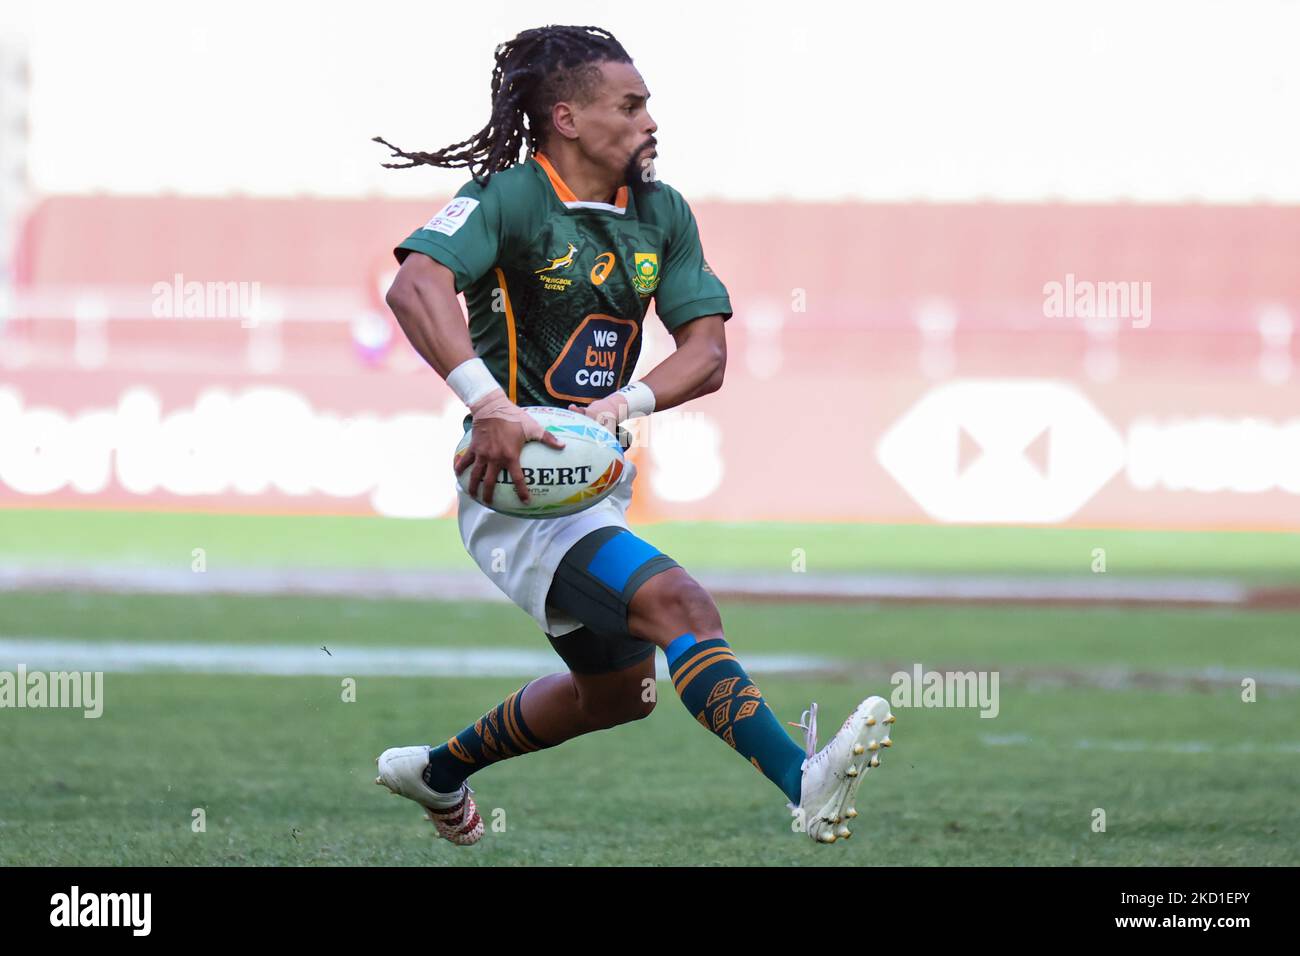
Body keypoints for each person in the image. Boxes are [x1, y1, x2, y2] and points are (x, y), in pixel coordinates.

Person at [375, 24, 893, 846]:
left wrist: (628, 402)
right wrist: (488, 403)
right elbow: (414, 285)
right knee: (680, 604)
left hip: (591, 484)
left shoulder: (661, 212)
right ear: (567, 117)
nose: (651, 121)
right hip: (517, 485)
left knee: (618, 697)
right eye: (631, 104)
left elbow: (709, 351)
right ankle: (802, 778)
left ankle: (436, 772)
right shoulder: (508, 197)